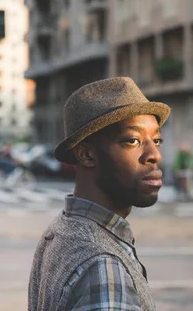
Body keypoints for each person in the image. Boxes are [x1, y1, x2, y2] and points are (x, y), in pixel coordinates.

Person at [28, 77, 171, 311]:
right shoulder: (103, 267)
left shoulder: (59, 231)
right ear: (86, 155)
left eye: (156, 140)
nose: (154, 154)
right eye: (133, 141)